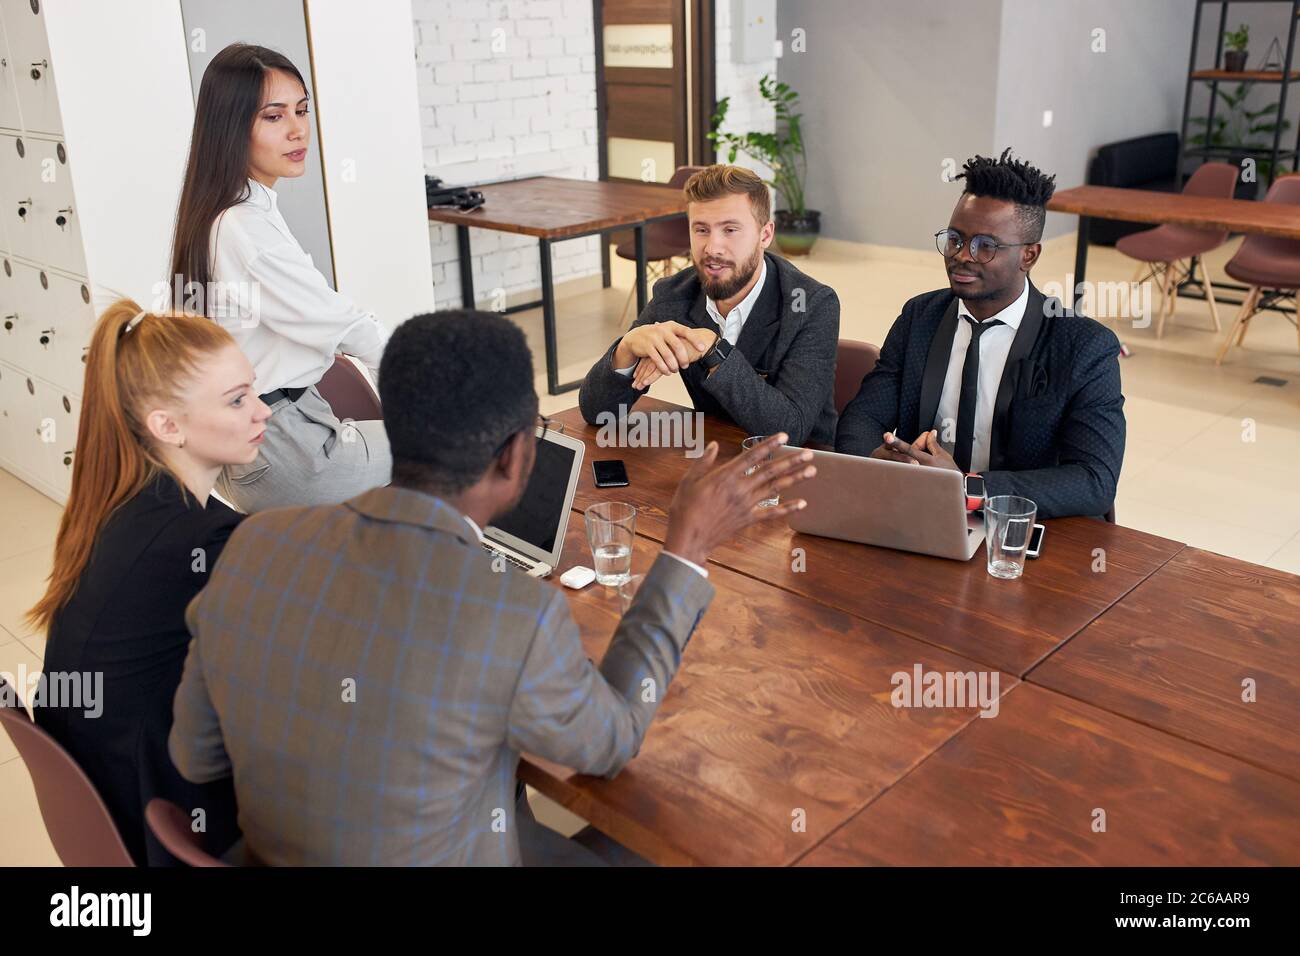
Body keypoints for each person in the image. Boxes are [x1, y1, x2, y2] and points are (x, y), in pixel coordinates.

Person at [168, 309, 816, 866]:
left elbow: (196, 758)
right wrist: (686, 548)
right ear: (516, 456)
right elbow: (612, 742)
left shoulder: (253, 543)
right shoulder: (515, 615)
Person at [25, 299, 266, 864]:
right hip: (169, 822)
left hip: (112, 800)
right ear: (167, 425)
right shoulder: (202, 539)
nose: (263, 412)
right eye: (237, 400)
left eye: (253, 390)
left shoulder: (117, 504)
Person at [835, 149, 1125, 519]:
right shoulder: (919, 317)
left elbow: (1094, 481)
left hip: (1018, 530)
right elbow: (861, 419)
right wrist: (878, 462)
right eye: (955, 238)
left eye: (984, 246)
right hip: (919, 515)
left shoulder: (1084, 346)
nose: (961, 255)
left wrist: (965, 488)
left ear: (1029, 256)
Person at [169, 43, 391, 513]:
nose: (297, 130)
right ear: (233, 129)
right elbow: (349, 329)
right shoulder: (245, 228)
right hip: (288, 451)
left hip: (258, 447)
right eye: (273, 117)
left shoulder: (225, 211)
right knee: (459, 444)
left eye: (302, 110)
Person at [578, 164, 840, 447]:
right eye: (701, 230)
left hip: (805, 467)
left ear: (765, 235)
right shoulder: (674, 295)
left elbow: (789, 431)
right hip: (717, 452)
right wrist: (625, 350)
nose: (713, 248)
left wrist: (714, 351)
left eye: (730, 230)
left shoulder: (811, 304)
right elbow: (597, 413)